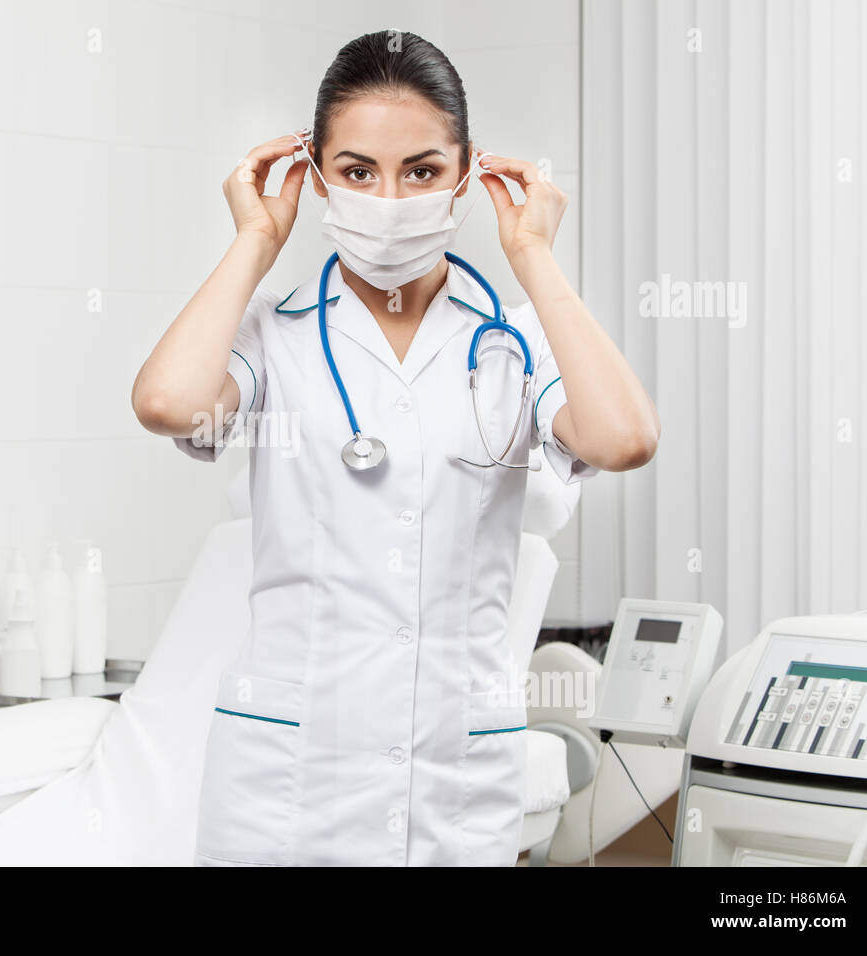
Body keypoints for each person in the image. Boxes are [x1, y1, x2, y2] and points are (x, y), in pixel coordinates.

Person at [131, 30, 658, 866]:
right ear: (317, 175)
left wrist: (533, 256)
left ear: (468, 174)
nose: (389, 196)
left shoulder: (515, 340)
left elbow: (625, 438)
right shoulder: (275, 330)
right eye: (357, 171)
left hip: (452, 778)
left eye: (421, 170)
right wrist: (254, 241)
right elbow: (168, 403)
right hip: (285, 785)